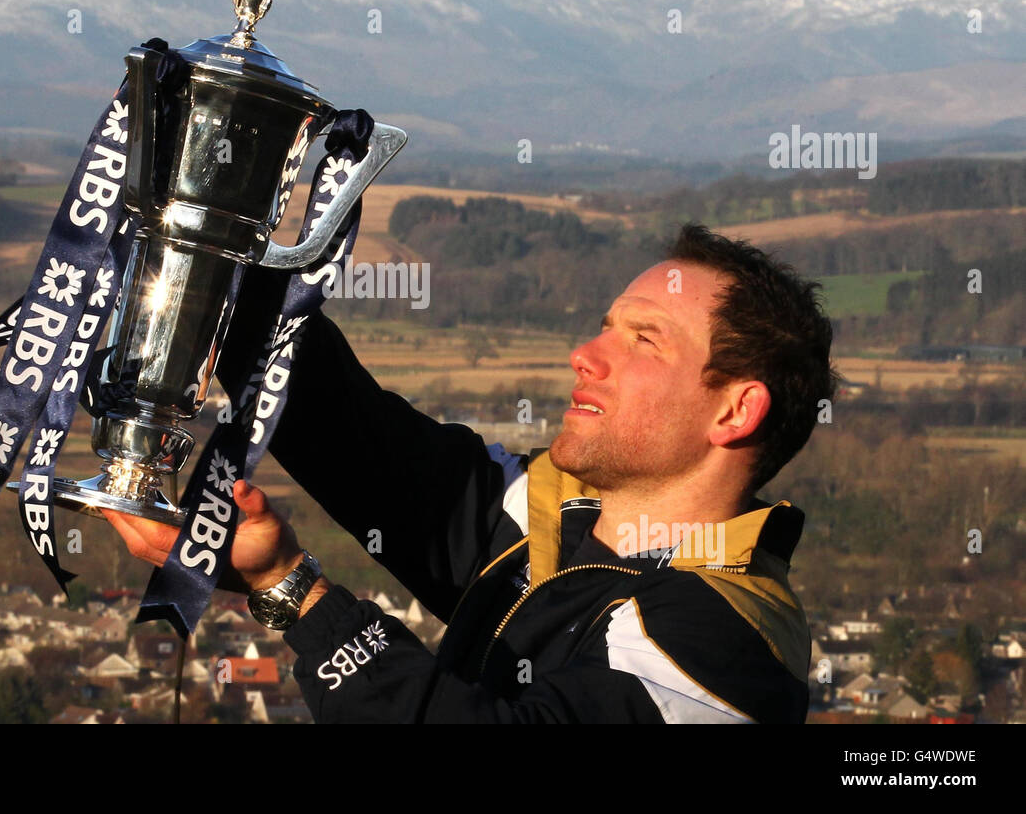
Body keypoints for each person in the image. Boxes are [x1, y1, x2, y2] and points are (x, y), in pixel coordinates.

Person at [105, 223, 838, 723]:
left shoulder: (731, 647)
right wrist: (207, 253)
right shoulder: (547, 521)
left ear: (735, 411)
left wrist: (291, 589)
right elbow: (346, 429)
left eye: (644, 339)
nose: (586, 354)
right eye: (605, 325)